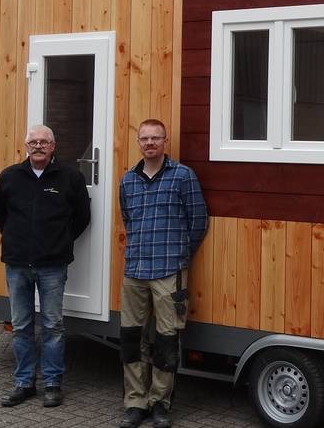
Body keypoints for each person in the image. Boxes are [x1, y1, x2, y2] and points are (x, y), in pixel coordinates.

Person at [0, 124, 91, 409]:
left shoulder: (70, 177)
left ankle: (52, 384)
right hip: (17, 264)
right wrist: (16, 239)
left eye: (43, 142)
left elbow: (82, 216)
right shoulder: (10, 176)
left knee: (53, 326)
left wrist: (60, 242)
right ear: (25, 146)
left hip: (52, 266)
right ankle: (24, 383)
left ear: (53, 146)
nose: (38, 146)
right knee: (21, 326)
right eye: (33, 141)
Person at [117, 119, 208, 428]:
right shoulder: (128, 180)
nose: (150, 143)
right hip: (135, 270)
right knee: (132, 339)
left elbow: (198, 222)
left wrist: (180, 254)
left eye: (155, 137)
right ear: (138, 142)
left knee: (167, 341)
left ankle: (160, 403)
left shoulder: (182, 176)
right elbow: (128, 220)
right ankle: (135, 402)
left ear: (165, 141)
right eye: (144, 138)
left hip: (170, 270)